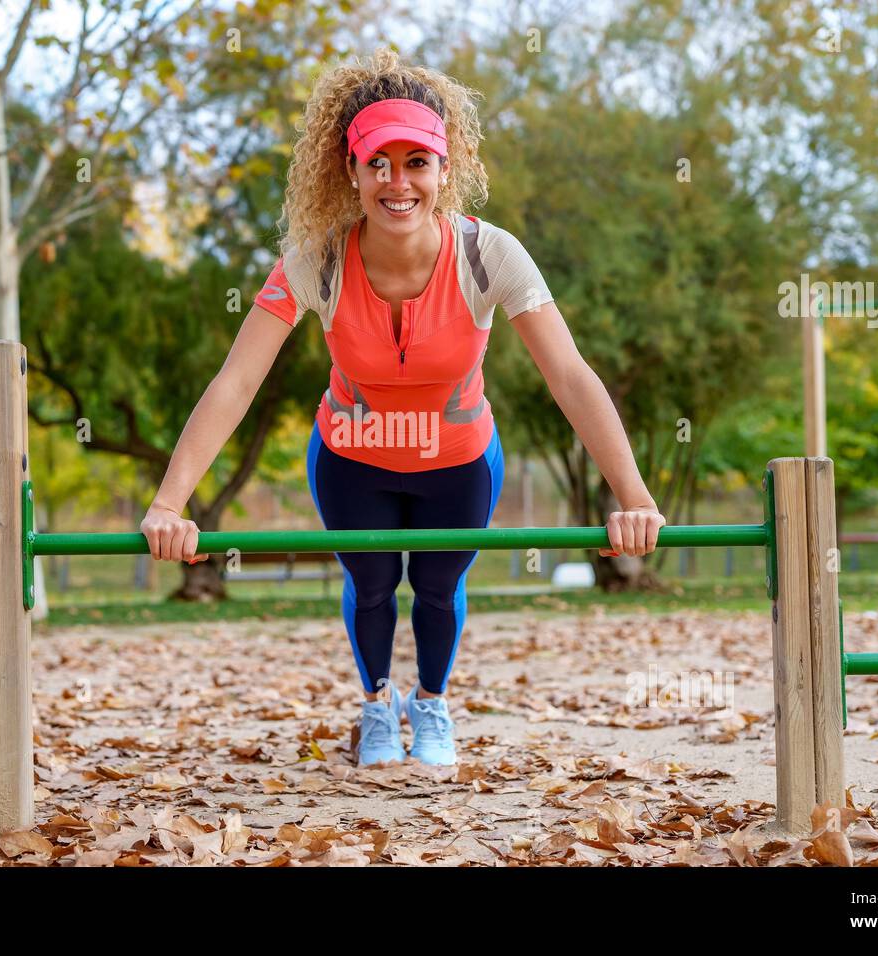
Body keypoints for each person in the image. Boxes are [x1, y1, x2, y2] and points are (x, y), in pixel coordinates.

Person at [140, 49, 665, 769]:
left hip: (459, 462)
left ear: (446, 170)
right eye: (377, 162)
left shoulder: (491, 256)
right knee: (374, 583)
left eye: (416, 161)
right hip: (353, 460)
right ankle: (379, 704)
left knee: (440, 587)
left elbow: (571, 377)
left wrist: (634, 499)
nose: (397, 181)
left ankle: (433, 704)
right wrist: (170, 503)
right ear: (350, 171)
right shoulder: (314, 260)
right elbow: (236, 382)